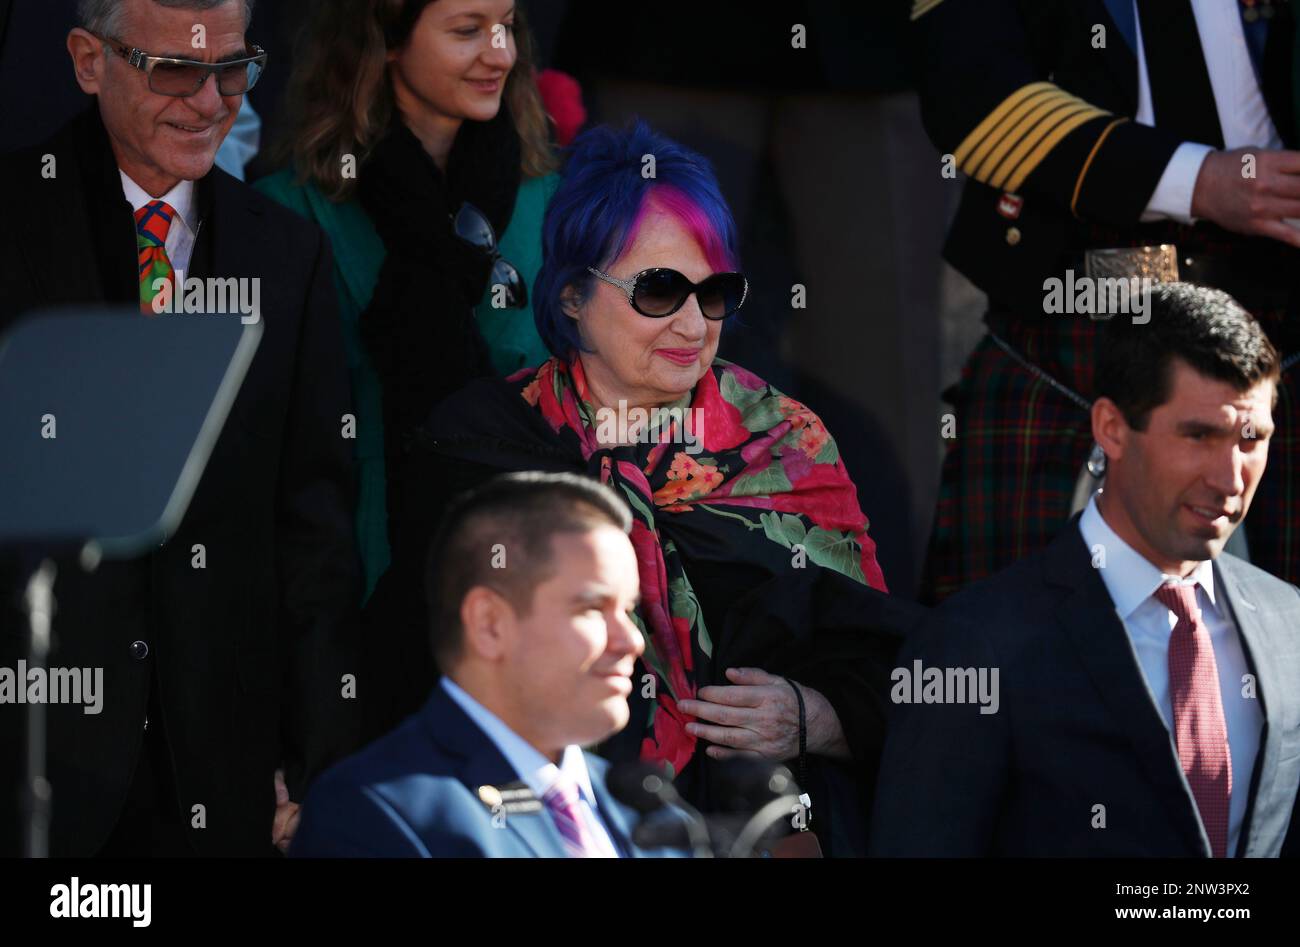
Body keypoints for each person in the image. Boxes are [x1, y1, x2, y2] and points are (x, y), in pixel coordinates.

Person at [368, 121, 921, 856]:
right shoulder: (482, 445)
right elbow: (409, 664)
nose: (694, 323)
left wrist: (812, 714)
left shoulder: (787, 441)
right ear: (570, 296)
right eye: (659, 290)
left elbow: (891, 666)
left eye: (715, 290)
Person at [0, 0, 361, 856]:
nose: (209, 102)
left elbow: (314, 528)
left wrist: (317, 754)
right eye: (173, 70)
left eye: (231, 70)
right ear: (90, 62)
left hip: (215, 771)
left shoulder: (288, 255)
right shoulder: (11, 222)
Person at [871, 283, 1300, 857]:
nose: (1229, 478)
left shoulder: (1289, 625)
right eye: (1199, 436)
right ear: (1112, 429)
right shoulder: (973, 646)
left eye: (1252, 439)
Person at [915, 0, 1300, 603]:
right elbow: (970, 93)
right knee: (1002, 648)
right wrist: (1197, 179)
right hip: (1073, 298)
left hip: (1283, 291)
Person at [256, 0, 560, 605]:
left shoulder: (552, 203)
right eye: (468, 30)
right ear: (386, 41)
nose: (500, 54)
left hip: (532, 564)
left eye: (507, 27)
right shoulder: (287, 214)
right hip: (354, 567)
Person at [291, 472, 684, 858]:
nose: (632, 641)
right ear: (489, 624)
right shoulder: (375, 813)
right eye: (593, 608)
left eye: (630, 611)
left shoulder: (645, 806)